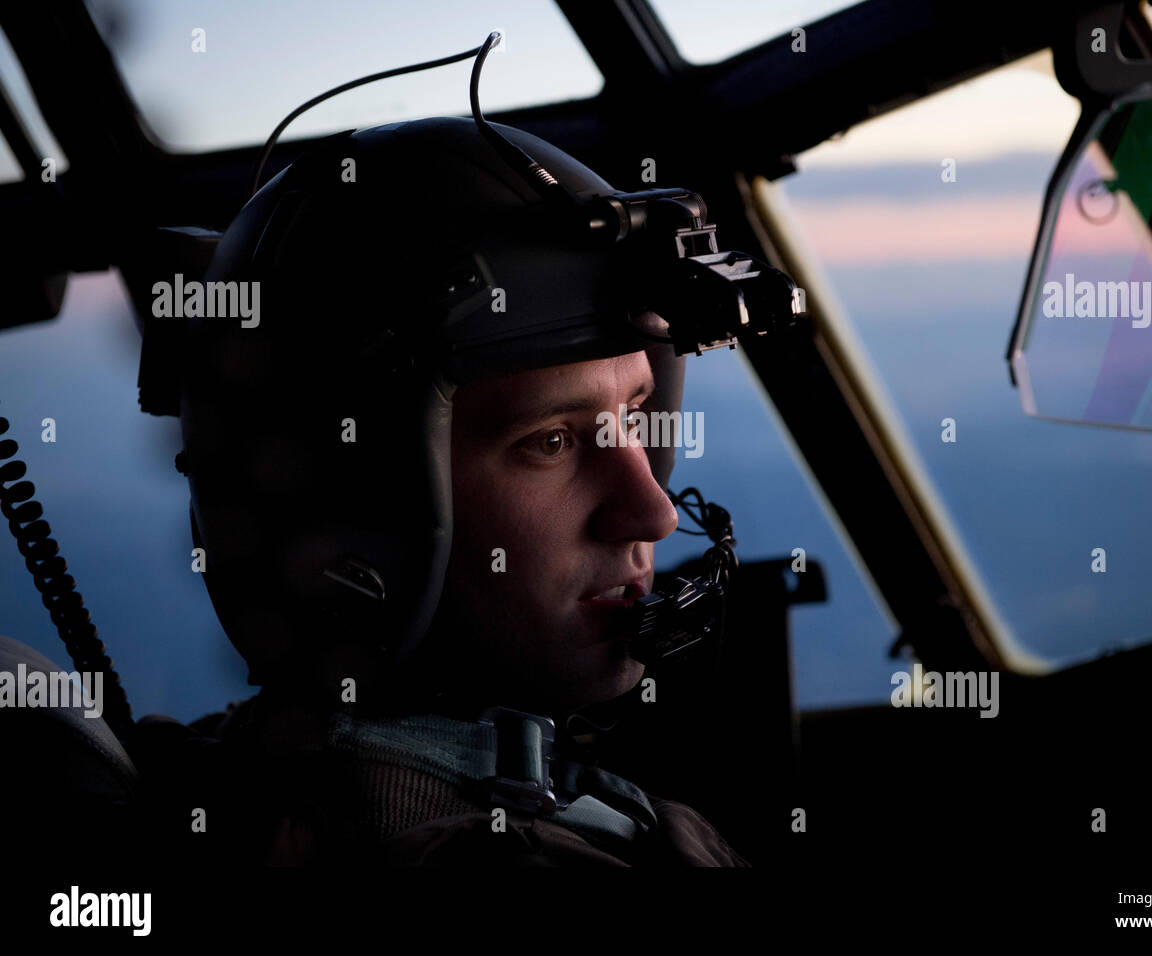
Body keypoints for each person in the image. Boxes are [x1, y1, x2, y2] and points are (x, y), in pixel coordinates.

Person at [125, 114, 754, 867]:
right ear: (354, 510)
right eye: (550, 442)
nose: (651, 509)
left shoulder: (205, 776)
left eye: (633, 414)